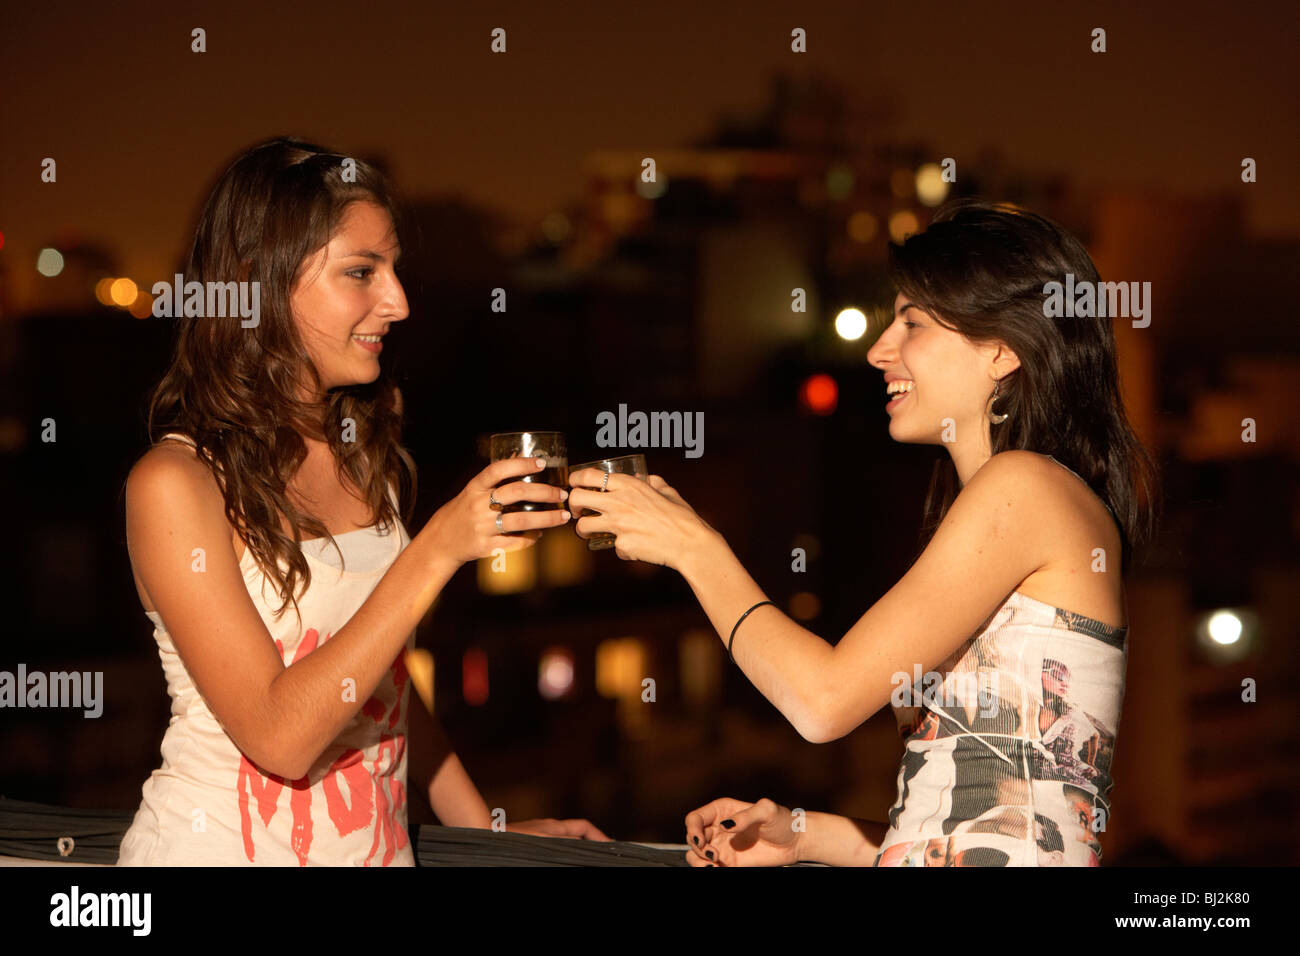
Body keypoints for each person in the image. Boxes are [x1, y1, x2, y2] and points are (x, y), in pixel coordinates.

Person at [567, 199, 1161, 867]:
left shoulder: (1024, 488)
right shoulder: (1022, 499)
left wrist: (692, 548)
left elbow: (823, 702)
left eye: (911, 322)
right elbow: (979, 827)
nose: (879, 350)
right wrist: (805, 835)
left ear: (1001, 349)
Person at [117, 137, 606, 866]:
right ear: (257, 284)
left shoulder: (358, 451)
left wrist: (485, 835)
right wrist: (438, 548)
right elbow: (280, 736)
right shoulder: (175, 486)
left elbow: (379, 683)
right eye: (360, 272)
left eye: (394, 270)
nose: (398, 302)